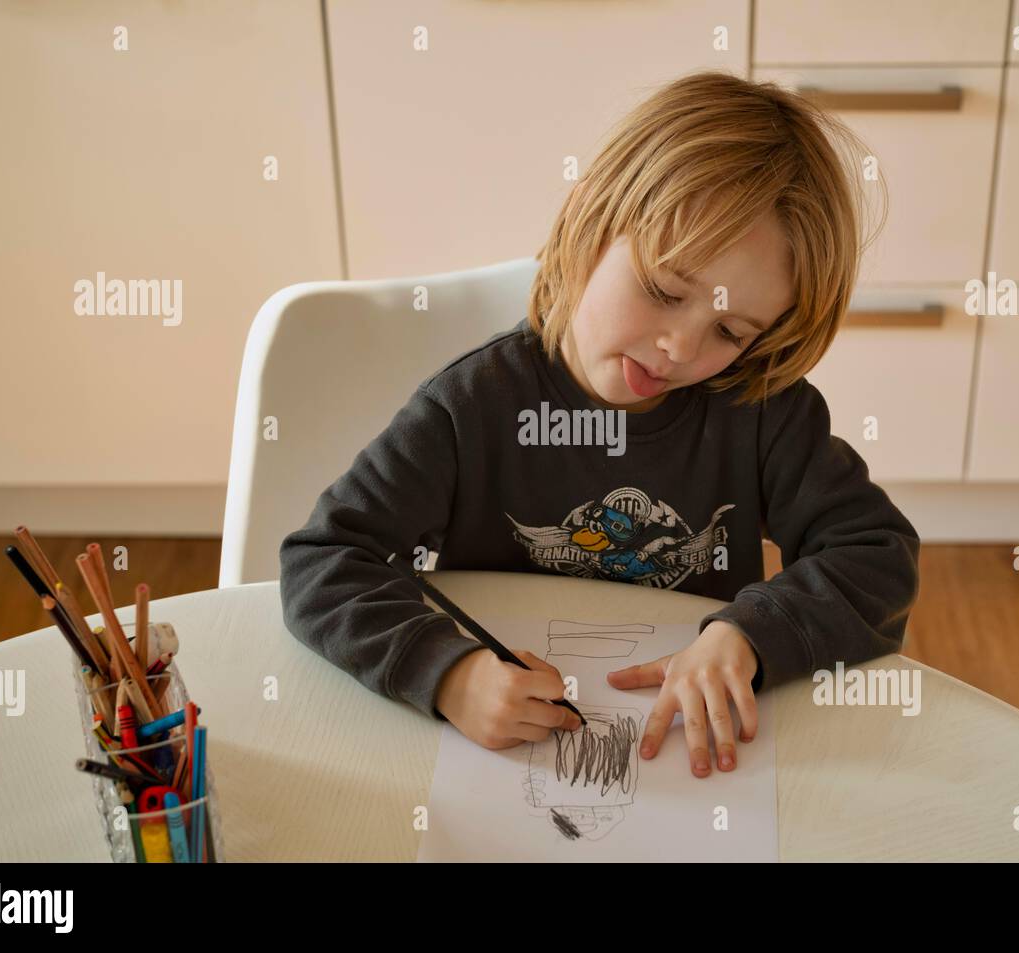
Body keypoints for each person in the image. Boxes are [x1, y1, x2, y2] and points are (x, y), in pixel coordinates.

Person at [280, 69, 918, 779]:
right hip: (495, 761)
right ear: (589, 219)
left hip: (693, 760)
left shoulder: (761, 410)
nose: (681, 347)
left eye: (730, 330)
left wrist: (749, 635)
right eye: (663, 290)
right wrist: (450, 674)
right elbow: (323, 560)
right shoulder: (469, 409)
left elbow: (879, 556)